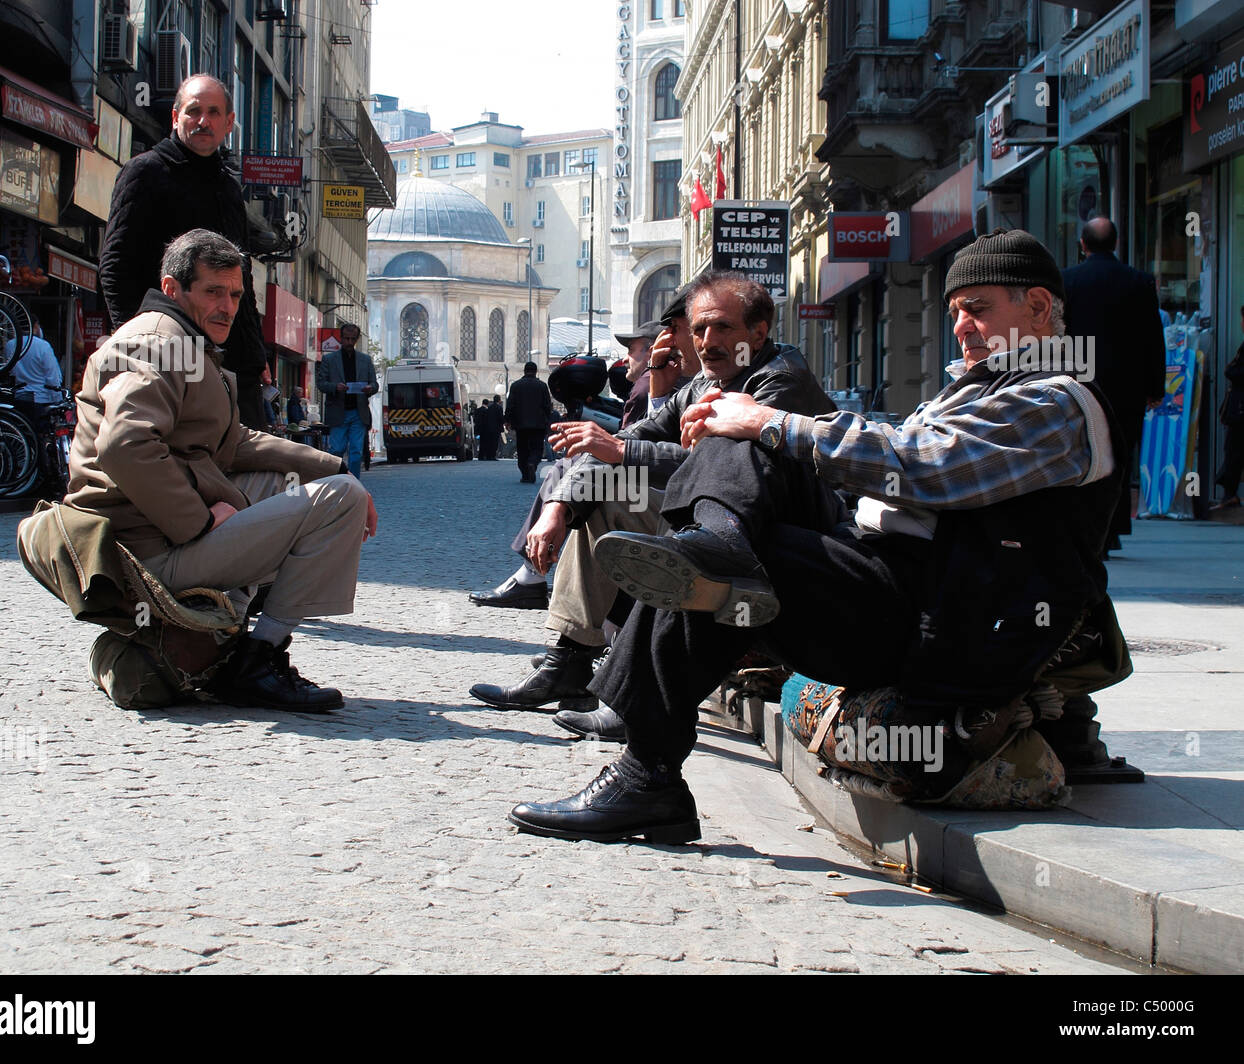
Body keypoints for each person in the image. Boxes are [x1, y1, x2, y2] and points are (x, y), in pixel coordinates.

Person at [507, 229, 1129, 843]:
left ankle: (648, 771)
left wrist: (775, 423)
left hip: (944, 618)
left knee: (740, 487)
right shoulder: (978, 387)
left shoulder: (1055, 402)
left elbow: (922, 464)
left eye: (977, 309)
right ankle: (712, 553)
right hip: (892, 580)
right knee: (720, 525)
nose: (962, 326)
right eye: (956, 312)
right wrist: (753, 430)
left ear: (1041, 308)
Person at [469, 272, 836, 724]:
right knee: (608, 495)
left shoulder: (779, 379)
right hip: (723, 520)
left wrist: (624, 448)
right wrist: (558, 508)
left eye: (721, 327)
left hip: (781, 530)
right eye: (699, 329)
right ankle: (568, 660)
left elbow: (726, 466)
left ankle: (633, 696)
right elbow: (627, 438)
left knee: (670, 538)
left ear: (758, 332)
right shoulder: (705, 382)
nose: (705, 341)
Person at [63, 229, 377, 711]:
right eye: (212, 291)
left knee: (300, 483)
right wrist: (203, 520)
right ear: (173, 289)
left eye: (234, 294)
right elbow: (126, 445)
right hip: (146, 554)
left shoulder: (184, 342)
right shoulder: (158, 344)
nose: (227, 306)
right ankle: (258, 657)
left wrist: (332, 467)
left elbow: (233, 443)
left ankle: (227, 638)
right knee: (342, 503)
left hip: (154, 535)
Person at [468, 291, 700, 613]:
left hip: (676, 498)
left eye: (632, 349)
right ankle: (571, 633)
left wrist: (614, 449)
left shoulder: (663, 383)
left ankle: (577, 618)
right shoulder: (663, 382)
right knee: (575, 475)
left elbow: (645, 451)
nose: (627, 357)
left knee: (591, 488)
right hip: (663, 484)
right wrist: (559, 504)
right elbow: (641, 436)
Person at [99, 73, 271, 430]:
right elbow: (115, 267)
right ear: (175, 117)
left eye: (213, 112)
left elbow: (243, 280)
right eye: (194, 111)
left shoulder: (228, 188)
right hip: (168, 356)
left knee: (246, 470)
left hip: (232, 362)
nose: (203, 121)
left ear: (229, 123)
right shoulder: (145, 172)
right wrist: (137, 347)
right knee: (182, 469)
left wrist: (255, 354)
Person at [1062, 217, 1165, 552]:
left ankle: (1088, 526)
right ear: (1116, 244)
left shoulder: (1068, 281)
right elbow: (1153, 337)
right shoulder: (1139, 281)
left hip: (1081, 383)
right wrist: (1155, 387)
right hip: (1126, 388)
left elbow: (1057, 335)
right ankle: (1112, 527)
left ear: (1083, 244)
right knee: (1120, 455)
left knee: (1084, 451)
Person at [315, 322, 377, 475]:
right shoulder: (329, 360)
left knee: (356, 453)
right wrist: (335, 387)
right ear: (341, 338)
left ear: (356, 340)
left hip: (358, 412)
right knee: (336, 451)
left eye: (353, 339)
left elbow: (374, 384)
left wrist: (370, 388)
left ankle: (353, 485)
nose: (349, 342)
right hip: (338, 412)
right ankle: (336, 483)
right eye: (347, 338)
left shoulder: (365, 360)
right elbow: (321, 383)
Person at [1213, 304, 1244, 510]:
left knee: (1234, 450)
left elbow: (1233, 371)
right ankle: (1228, 493)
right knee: (1233, 450)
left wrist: (1230, 371)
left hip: (1241, 410)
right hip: (1239, 409)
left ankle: (1229, 494)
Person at [505, 361, 552, 483]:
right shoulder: (542, 386)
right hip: (538, 424)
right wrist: (548, 420)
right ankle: (532, 463)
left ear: (524, 371)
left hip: (521, 425)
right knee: (536, 448)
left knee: (522, 449)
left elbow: (510, 405)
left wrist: (507, 420)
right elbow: (547, 406)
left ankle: (525, 474)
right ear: (536, 372)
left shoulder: (515, 385)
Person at [612, 321, 660, 428]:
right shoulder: (673, 375)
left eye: (631, 350)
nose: (625, 359)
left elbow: (626, 440)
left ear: (651, 352)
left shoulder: (645, 384)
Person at [481, 396, 504, 460]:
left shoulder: (489, 407)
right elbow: (501, 418)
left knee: (489, 442)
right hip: (496, 428)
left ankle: (488, 456)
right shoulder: (499, 408)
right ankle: (493, 456)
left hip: (489, 428)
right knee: (495, 442)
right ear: (499, 400)